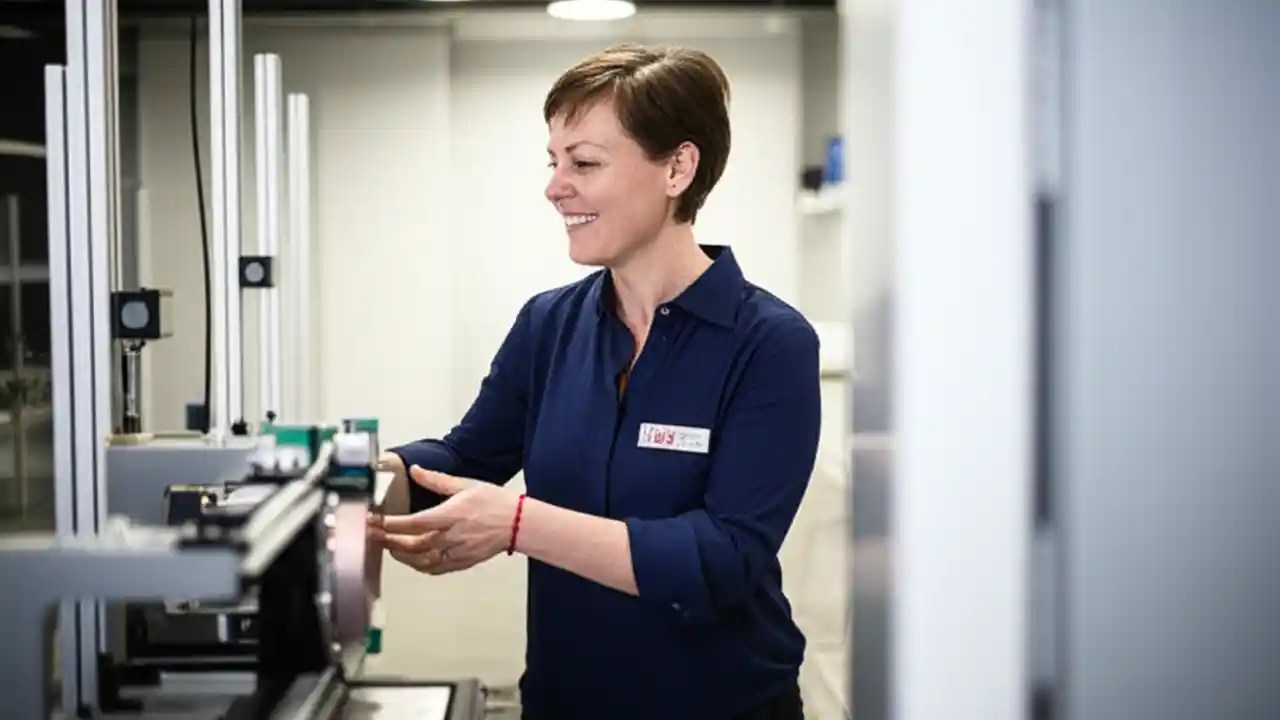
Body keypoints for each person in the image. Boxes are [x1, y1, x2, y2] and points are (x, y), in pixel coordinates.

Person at [368, 44, 821, 720]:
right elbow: (467, 458)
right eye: (554, 162)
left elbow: (722, 558)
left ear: (677, 167)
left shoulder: (769, 343)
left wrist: (517, 523)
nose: (555, 186)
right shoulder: (549, 324)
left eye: (584, 163)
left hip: (721, 706)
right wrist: (365, 482)